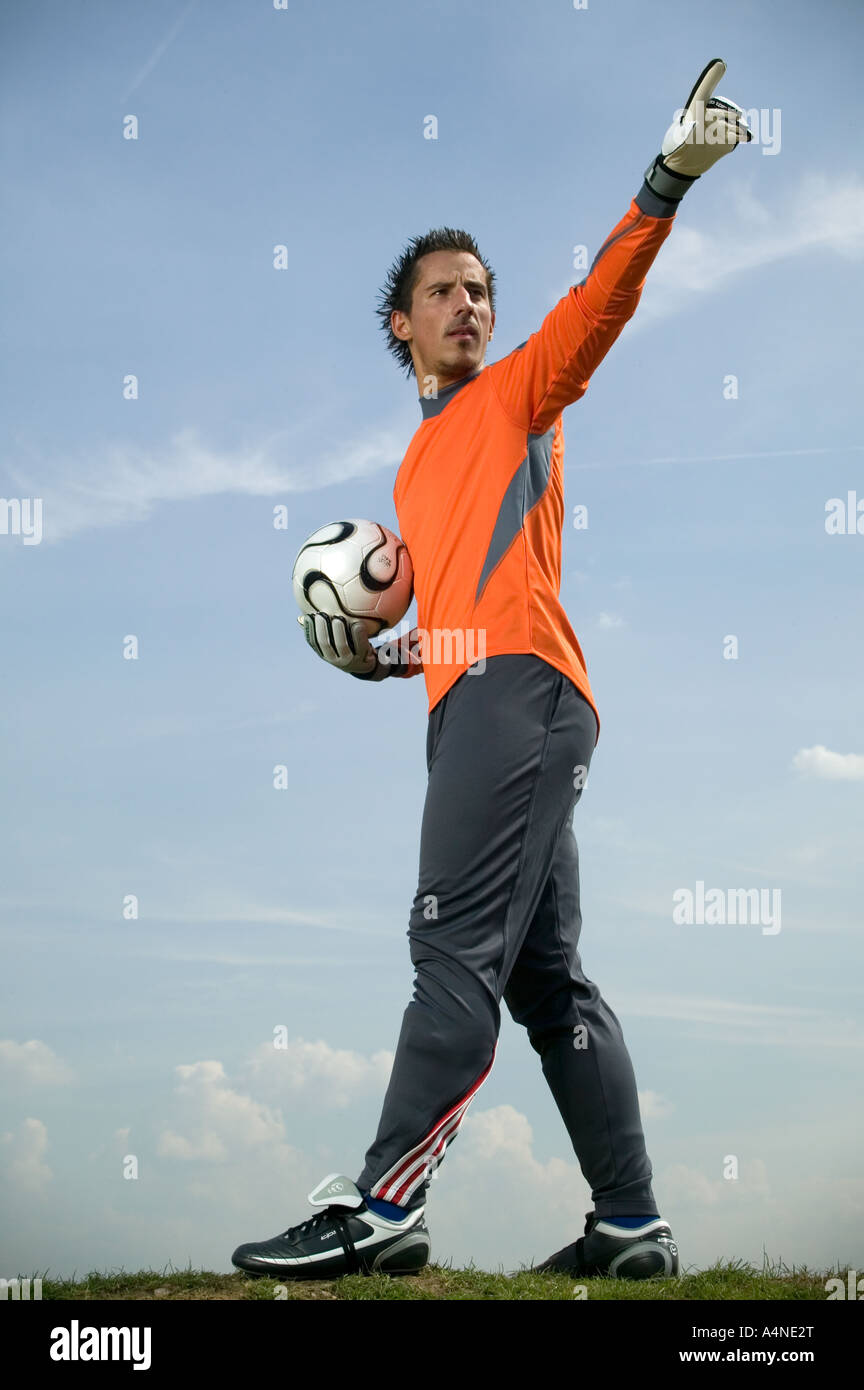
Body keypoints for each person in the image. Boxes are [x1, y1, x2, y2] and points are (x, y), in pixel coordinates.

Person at [232, 59, 750, 1283]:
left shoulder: (519, 392)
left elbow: (595, 308)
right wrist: (384, 659)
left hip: (519, 696)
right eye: (443, 291)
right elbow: (459, 614)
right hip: (490, 694)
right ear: (400, 324)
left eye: (480, 289)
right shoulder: (413, 473)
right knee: (546, 979)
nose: (468, 304)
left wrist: (664, 182)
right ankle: (630, 1224)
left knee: (448, 946)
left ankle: (382, 1205)